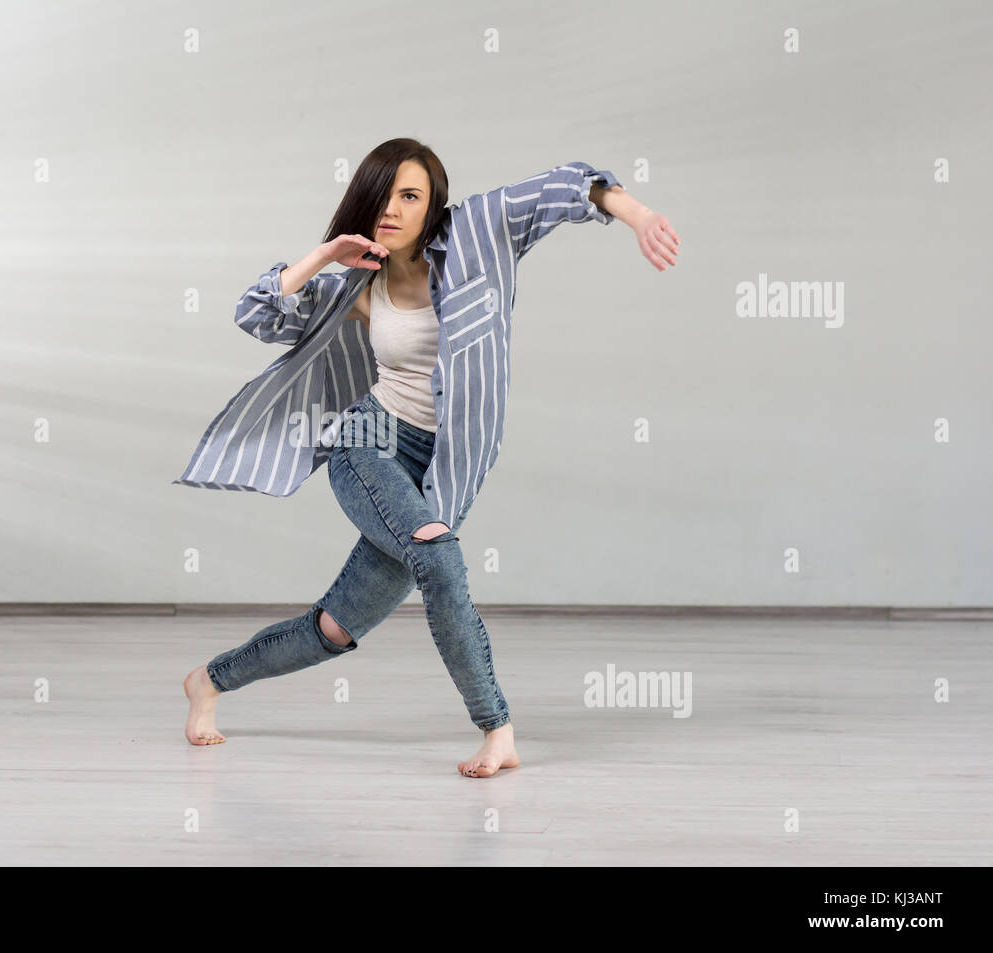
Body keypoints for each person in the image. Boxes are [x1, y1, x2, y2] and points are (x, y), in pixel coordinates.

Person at [179, 138, 680, 776]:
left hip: (442, 468)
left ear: (432, 203)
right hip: (368, 443)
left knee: (334, 628)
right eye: (382, 194)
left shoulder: (481, 234)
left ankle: (209, 681)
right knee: (439, 559)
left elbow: (568, 185)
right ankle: (497, 730)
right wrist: (326, 255)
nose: (393, 208)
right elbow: (257, 313)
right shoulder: (356, 283)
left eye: (410, 195)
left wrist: (637, 215)